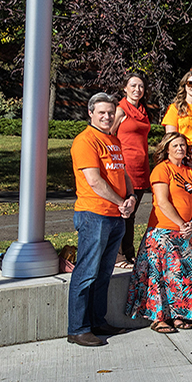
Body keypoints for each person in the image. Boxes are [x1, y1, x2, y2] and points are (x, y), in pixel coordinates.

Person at [67, 93, 137, 347]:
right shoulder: (86, 141)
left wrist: (129, 198)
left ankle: (97, 321)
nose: (107, 117)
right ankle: (77, 329)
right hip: (94, 215)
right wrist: (121, 203)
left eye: (110, 113)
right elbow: (94, 181)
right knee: (86, 274)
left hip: (116, 216)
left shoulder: (113, 140)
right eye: (102, 113)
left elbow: (122, 173)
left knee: (103, 274)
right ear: (91, 113)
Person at [125, 131, 192, 334]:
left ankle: (178, 315)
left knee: (182, 277)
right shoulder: (161, 170)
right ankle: (159, 319)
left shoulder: (190, 172)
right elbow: (163, 202)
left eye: (183, 145)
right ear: (167, 148)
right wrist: (180, 223)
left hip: (184, 234)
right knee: (158, 278)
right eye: (175, 145)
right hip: (162, 232)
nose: (180, 149)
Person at [112, 73, 151, 267]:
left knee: (132, 214)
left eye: (141, 86)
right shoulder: (120, 110)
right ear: (125, 88)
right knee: (123, 211)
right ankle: (118, 256)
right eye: (133, 86)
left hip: (141, 167)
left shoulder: (143, 111)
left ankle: (128, 253)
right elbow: (109, 136)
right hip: (125, 168)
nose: (137, 90)